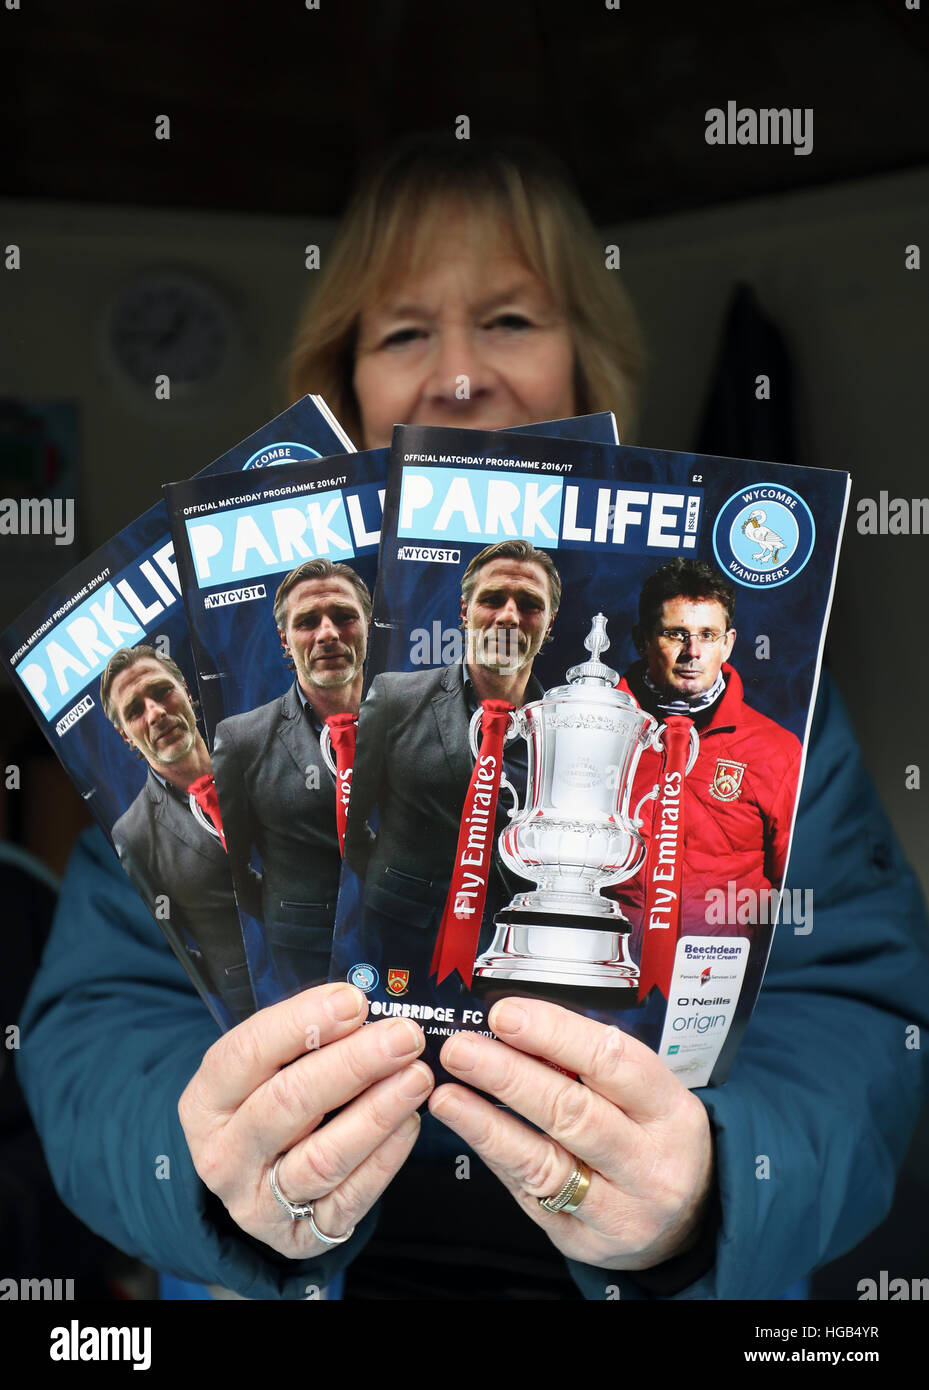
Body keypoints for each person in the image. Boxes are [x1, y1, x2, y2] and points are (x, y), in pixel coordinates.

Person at [17, 135, 929, 1300]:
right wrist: (202, 1180)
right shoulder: (222, 702)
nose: (458, 375)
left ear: (587, 370)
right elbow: (98, 1022)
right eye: (402, 332)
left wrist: (713, 1190)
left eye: (508, 320)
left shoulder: (751, 704)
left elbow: (856, 1008)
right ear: (342, 391)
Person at [344, 538, 558, 967]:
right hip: (398, 945)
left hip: (515, 956)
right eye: (493, 599)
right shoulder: (394, 698)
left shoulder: (563, 731)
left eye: (530, 604)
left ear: (549, 624)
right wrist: (394, 885)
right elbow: (347, 821)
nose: (509, 616)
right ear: (464, 612)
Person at [615, 558, 802, 945]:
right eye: (676, 634)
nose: (693, 652)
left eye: (708, 635)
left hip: (717, 983)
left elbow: (801, 883)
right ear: (642, 640)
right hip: (604, 970)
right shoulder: (596, 731)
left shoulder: (775, 750)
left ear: (728, 644)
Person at [211, 558, 371, 991]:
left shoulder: (417, 714)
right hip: (302, 967)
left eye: (343, 616)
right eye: (307, 622)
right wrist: (287, 911)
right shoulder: (242, 740)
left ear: (367, 626)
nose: (328, 633)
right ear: (285, 640)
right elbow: (231, 867)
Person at [103, 645, 254, 1023]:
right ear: (125, 735)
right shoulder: (132, 835)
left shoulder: (258, 750)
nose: (155, 713)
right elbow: (178, 954)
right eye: (135, 711)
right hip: (251, 1008)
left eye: (161, 691)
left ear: (186, 691)